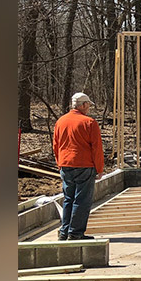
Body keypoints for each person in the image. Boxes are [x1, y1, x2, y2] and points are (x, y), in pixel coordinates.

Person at [52, 92, 104, 240]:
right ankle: (75, 233)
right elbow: (96, 148)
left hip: (65, 165)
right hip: (84, 166)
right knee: (82, 200)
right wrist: (99, 169)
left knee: (68, 198)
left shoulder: (61, 121)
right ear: (83, 105)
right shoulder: (89, 123)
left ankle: (64, 232)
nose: (88, 108)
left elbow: (56, 145)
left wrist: (60, 164)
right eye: (88, 105)